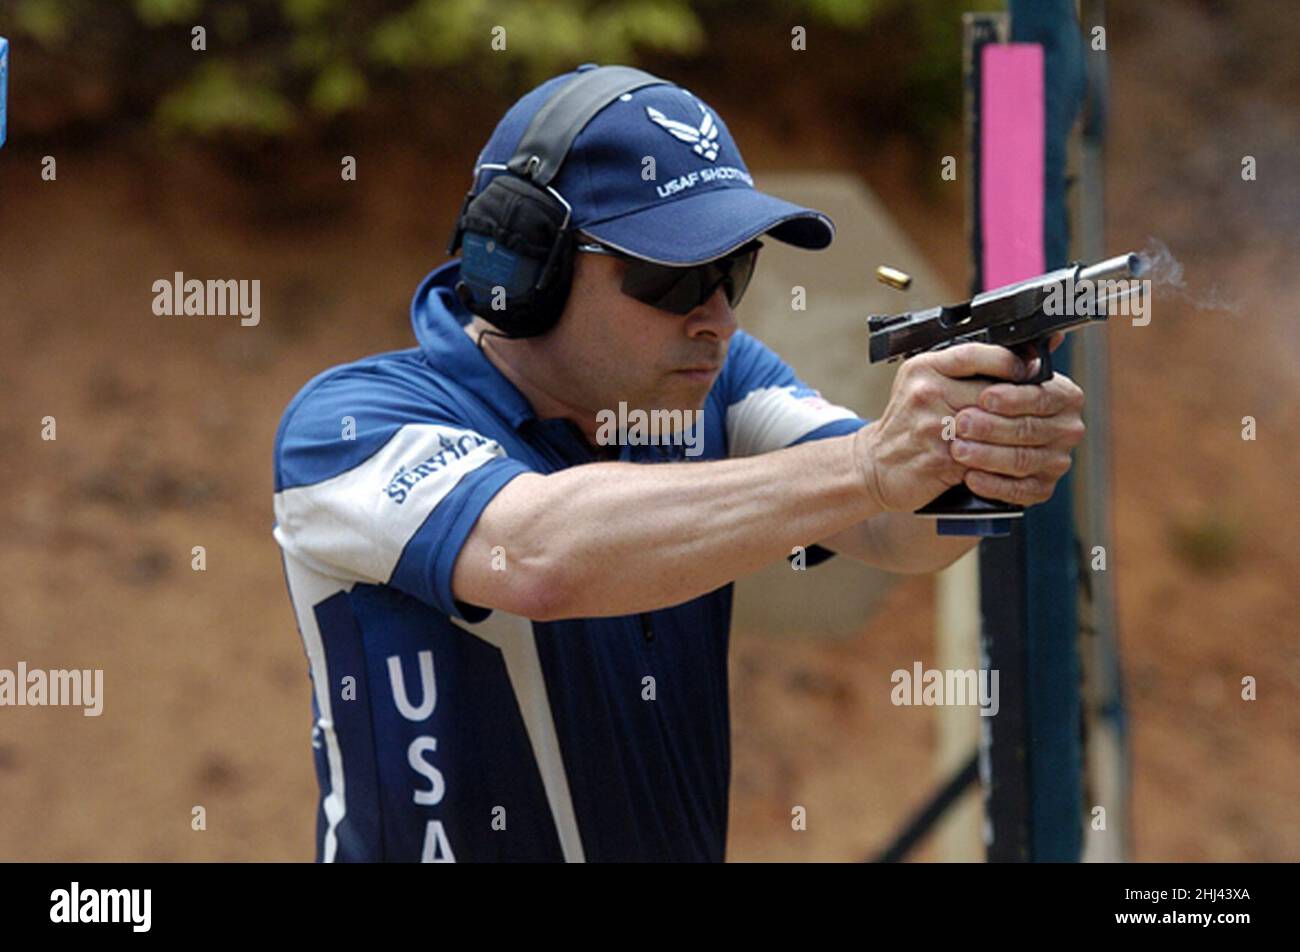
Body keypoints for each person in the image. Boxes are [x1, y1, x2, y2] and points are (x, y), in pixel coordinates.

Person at [271, 64, 1085, 862]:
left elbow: (898, 535)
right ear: (522, 267)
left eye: (733, 271)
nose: (719, 319)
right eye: (675, 277)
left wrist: (968, 452)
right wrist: (874, 462)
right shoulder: (351, 428)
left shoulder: (718, 387)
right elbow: (538, 557)